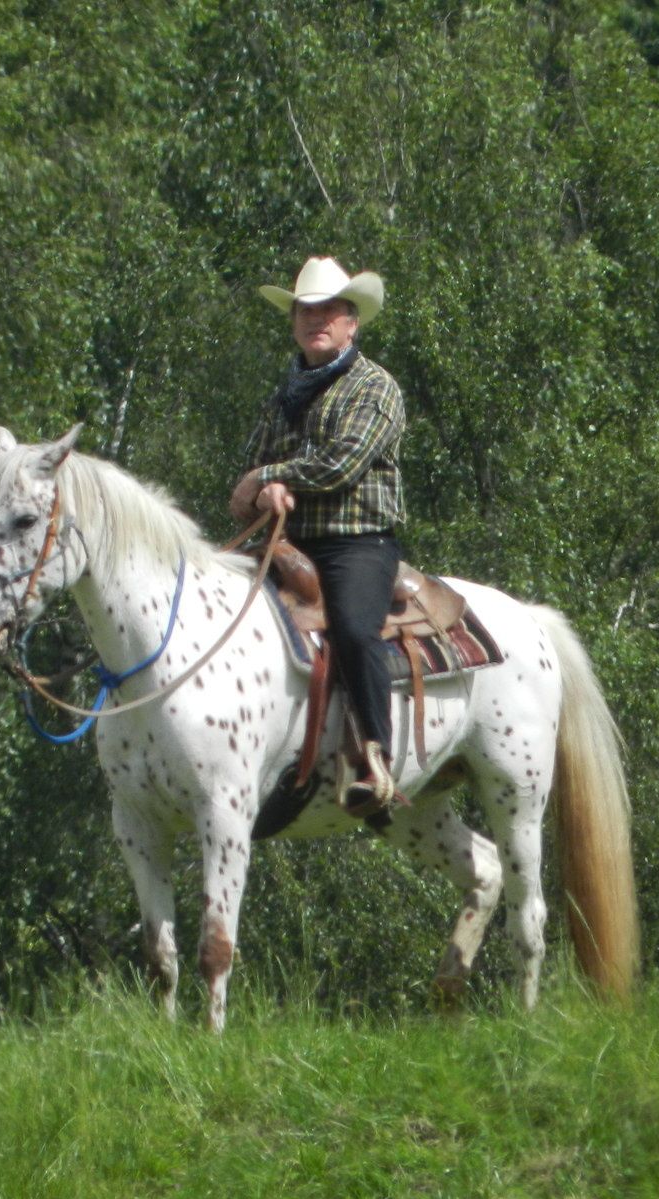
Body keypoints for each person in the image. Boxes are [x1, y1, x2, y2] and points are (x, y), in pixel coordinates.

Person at [230, 256, 406, 812]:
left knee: (355, 628)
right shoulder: (280, 397)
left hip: (355, 542)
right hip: (286, 543)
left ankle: (375, 753)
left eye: (329, 309)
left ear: (353, 321)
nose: (316, 319)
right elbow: (248, 469)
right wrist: (262, 491)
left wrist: (268, 478)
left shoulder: (375, 387)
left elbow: (340, 466)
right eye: (306, 310)